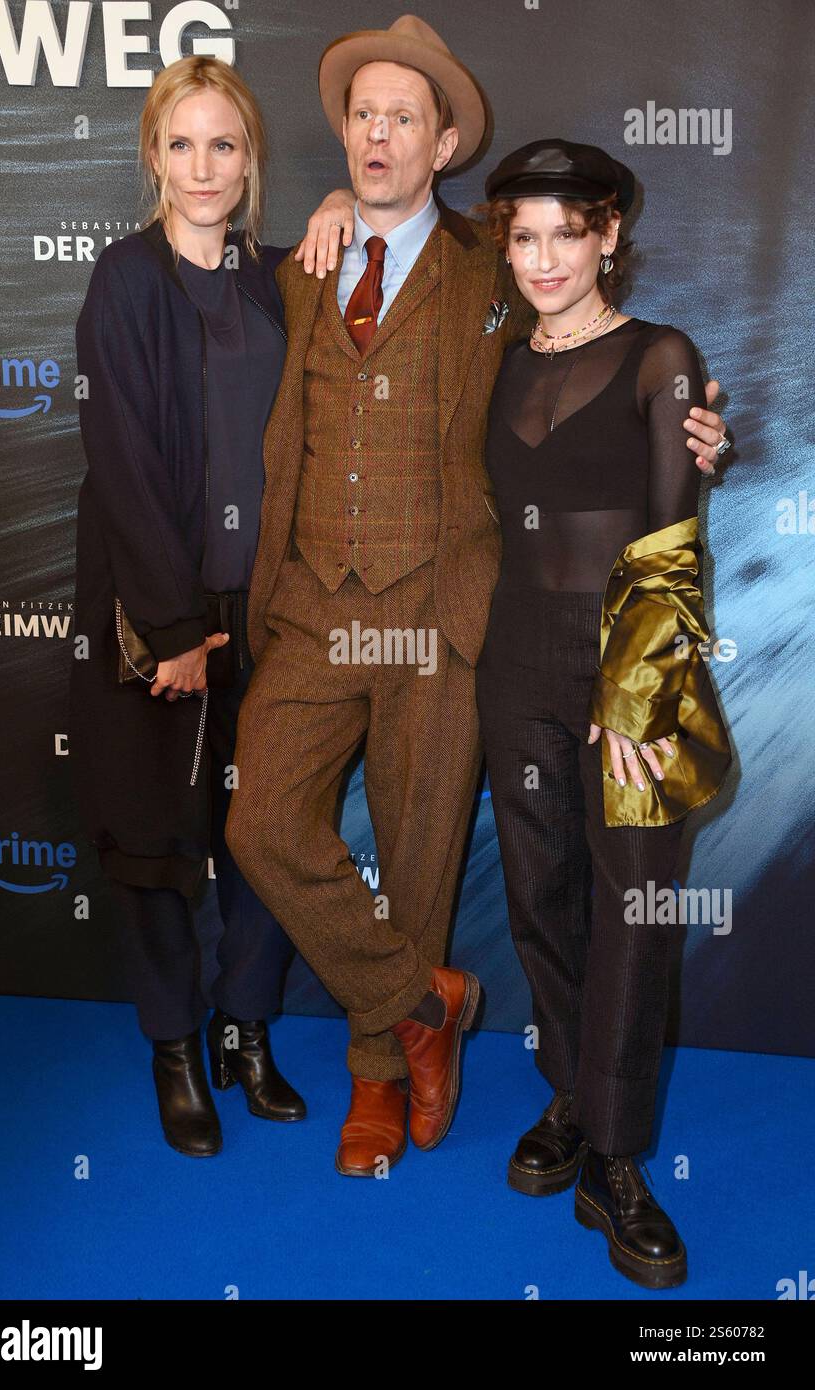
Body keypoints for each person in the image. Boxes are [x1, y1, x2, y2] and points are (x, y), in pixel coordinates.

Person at [225, 17, 730, 1179]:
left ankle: (378, 1076)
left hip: (448, 616)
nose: (379, 133)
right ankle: (421, 1000)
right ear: (343, 131)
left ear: (444, 140)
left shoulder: (491, 274)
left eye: (405, 115)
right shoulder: (302, 266)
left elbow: (610, 362)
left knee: (419, 858)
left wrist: (694, 426)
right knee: (260, 822)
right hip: (314, 599)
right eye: (363, 113)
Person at [70, 56, 351, 1157]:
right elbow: (124, 462)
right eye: (181, 144)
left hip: (272, 616)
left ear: (250, 162)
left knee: (267, 836)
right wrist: (175, 632)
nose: (203, 167)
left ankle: (246, 1031)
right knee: (154, 839)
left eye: (223, 145)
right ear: (153, 155)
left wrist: (340, 207)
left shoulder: (279, 280)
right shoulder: (123, 279)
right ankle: (175, 1045)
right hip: (163, 618)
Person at [473, 139, 732, 1288]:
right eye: (522, 236)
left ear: (609, 235)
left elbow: (673, 550)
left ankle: (617, 1162)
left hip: (634, 668)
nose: (541, 258)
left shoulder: (663, 359)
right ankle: (577, 1092)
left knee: (633, 906)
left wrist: (633, 694)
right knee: (542, 899)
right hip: (513, 661)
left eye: (564, 234)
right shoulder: (497, 363)